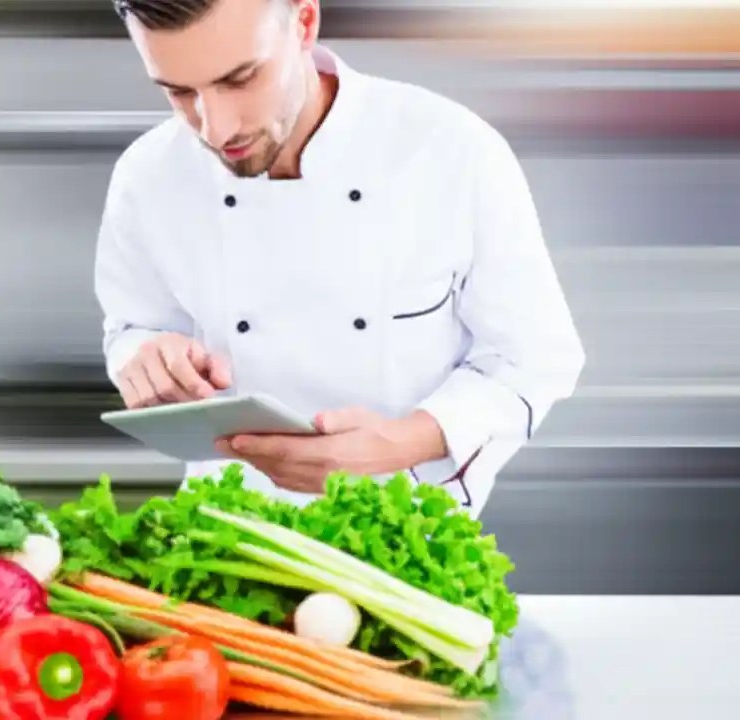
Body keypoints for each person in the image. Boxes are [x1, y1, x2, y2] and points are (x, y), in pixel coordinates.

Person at [94, 0, 584, 515]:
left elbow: (533, 358)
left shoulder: (450, 151)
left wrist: (403, 442)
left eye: (240, 79)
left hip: (408, 531)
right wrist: (147, 359)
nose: (214, 128)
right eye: (179, 91)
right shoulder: (147, 175)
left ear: (304, 23)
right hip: (224, 532)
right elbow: (131, 329)